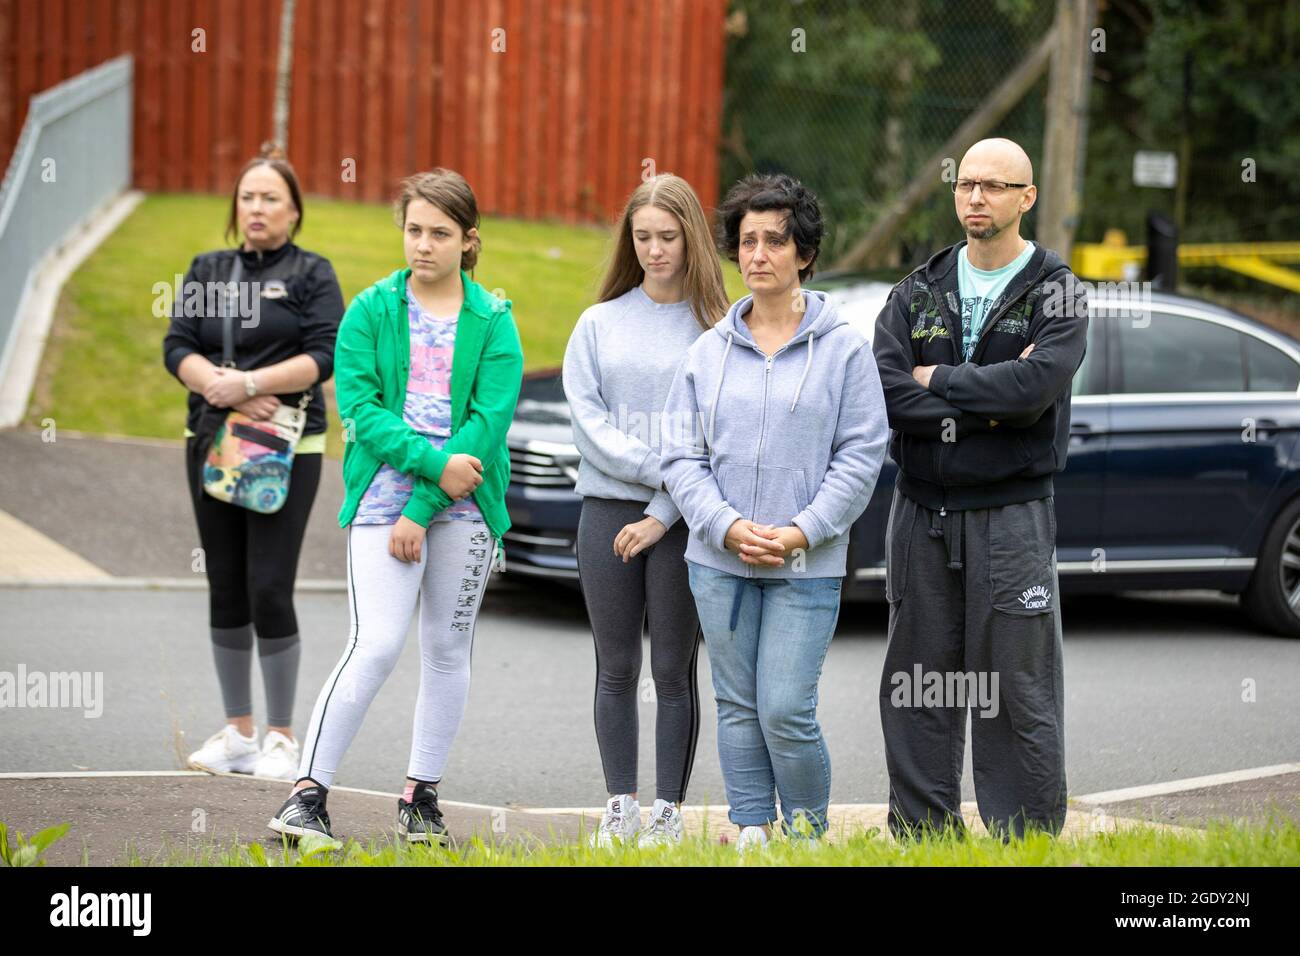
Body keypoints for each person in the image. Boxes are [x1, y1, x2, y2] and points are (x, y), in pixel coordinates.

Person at [267, 169, 524, 843]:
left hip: (465, 514)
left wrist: (428, 503)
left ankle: (420, 800)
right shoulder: (371, 313)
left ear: (469, 241)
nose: (424, 245)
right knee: (375, 643)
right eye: (414, 230)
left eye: (441, 233)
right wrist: (429, 474)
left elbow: (487, 426)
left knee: (447, 648)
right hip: (382, 508)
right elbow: (360, 413)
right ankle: (305, 795)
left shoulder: (494, 320)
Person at [661, 173, 889, 851]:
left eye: (775, 240)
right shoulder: (707, 353)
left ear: (805, 253)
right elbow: (680, 458)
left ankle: (809, 833)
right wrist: (725, 527)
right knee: (736, 705)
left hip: (807, 564)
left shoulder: (844, 349)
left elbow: (862, 456)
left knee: (785, 708)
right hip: (718, 561)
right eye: (747, 240)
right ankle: (752, 825)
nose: (757, 253)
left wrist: (800, 533)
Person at [872, 137, 1088, 841]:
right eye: (967, 184)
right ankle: (923, 835)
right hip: (921, 514)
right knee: (917, 682)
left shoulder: (1055, 288)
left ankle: (1024, 837)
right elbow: (890, 392)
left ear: (1026, 198)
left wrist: (938, 380)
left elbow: (1032, 392)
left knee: (1017, 689)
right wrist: (982, 401)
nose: (975, 198)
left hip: (1012, 517)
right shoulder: (918, 288)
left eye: (994, 187)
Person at [163, 143, 343, 781]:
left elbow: (325, 356)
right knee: (226, 583)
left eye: (271, 198)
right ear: (235, 208)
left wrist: (247, 383)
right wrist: (218, 384)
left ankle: (281, 737)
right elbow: (177, 344)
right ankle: (237, 731)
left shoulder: (312, 274)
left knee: (270, 585)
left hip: (289, 448)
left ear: (294, 211)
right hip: (212, 442)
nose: (257, 208)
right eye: (248, 197)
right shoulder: (208, 269)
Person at [563, 174, 729, 847]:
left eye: (669, 236)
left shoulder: (718, 330)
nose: (656, 249)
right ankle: (620, 805)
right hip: (606, 514)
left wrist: (666, 504)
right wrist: (666, 471)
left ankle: (667, 813)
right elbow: (589, 424)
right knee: (615, 667)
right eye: (643, 237)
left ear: (691, 237)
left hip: (684, 522)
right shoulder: (599, 323)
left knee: (672, 671)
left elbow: (715, 433)